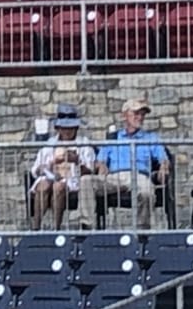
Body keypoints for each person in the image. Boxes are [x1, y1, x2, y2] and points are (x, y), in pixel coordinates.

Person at [85, 97, 170, 228]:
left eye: (142, 114)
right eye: (136, 113)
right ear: (125, 116)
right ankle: (86, 227)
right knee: (86, 181)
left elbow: (163, 158)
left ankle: (143, 232)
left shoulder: (150, 138)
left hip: (139, 175)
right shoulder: (113, 138)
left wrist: (164, 167)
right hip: (114, 178)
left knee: (147, 192)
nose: (140, 117)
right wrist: (101, 165)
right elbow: (99, 160)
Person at [28, 104, 91, 230]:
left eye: (70, 127)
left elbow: (90, 170)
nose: (67, 131)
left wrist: (77, 161)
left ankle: (56, 228)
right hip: (50, 177)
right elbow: (36, 170)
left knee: (59, 186)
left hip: (72, 182)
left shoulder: (83, 143)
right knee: (43, 186)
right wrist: (51, 163)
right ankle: (36, 228)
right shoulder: (50, 144)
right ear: (58, 128)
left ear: (76, 127)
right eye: (64, 128)